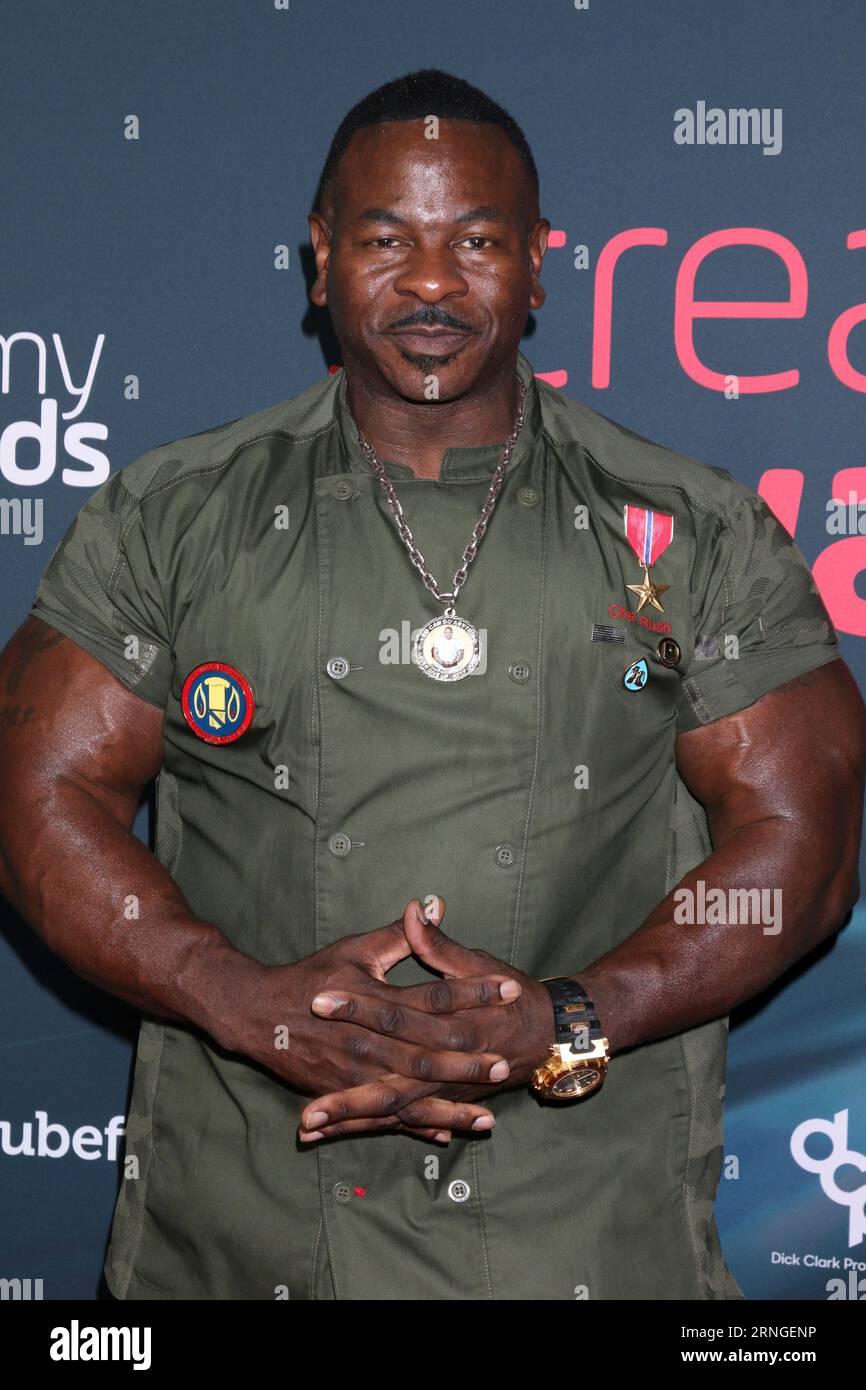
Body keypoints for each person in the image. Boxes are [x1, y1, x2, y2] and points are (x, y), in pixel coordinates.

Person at [0, 67, 863, 1302]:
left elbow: (804, 844)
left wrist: (569, 1016)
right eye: (384, 239)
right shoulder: (175, 517)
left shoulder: (685, 530)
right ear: (318, 258)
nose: (428, 284)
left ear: (536, 264)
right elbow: (37, 788)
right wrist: (236, 997)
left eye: (473, 241)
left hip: (580, 1238)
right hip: (243, 1237)